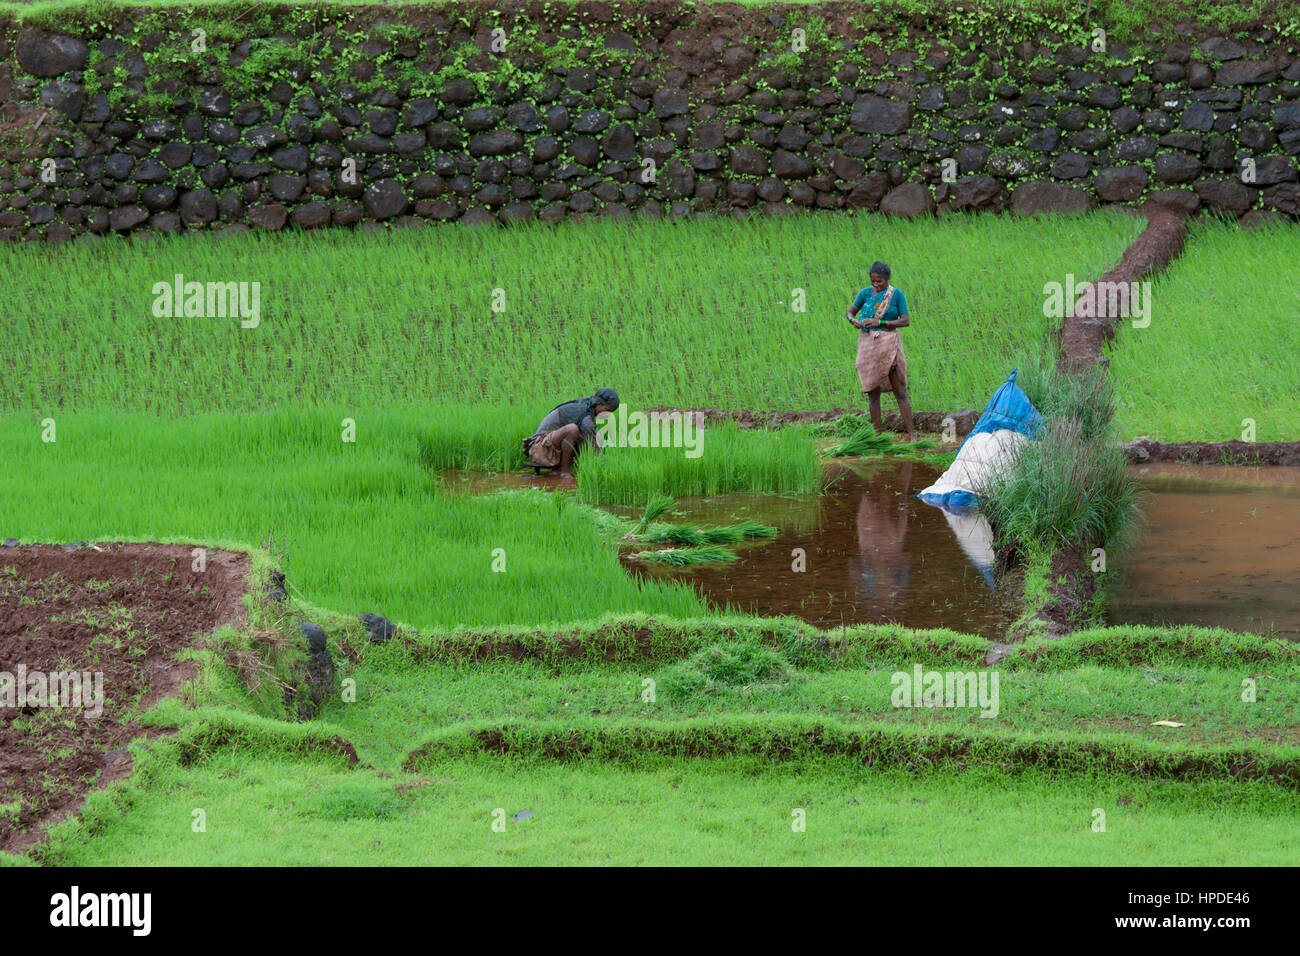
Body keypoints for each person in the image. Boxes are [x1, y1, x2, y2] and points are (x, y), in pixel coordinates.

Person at [846, 260, 915, 442]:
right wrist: (853, 321)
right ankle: (878, 437)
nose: (876, 285)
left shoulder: (896, 295)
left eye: (880, 282)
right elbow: (850, 312)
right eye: (873, 281)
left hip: (888, 343)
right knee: (872, 392)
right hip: (869, 345)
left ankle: (912, 435)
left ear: (887, 279)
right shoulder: (865, 294)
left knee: (899, 390)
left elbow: (905, 320)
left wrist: (881, 323)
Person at [524, 387, 620, 478]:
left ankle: (559, 470)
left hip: (549, 448)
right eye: (607, 410)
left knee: (596, 435)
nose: (608, 415)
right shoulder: (586, 417)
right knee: (572, 429)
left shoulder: (587, 406)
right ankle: (564, 472)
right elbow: (590, 447)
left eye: (611, 412)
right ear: (599, 403)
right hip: (540, 450)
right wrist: (602, 466)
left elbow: (590, 441)